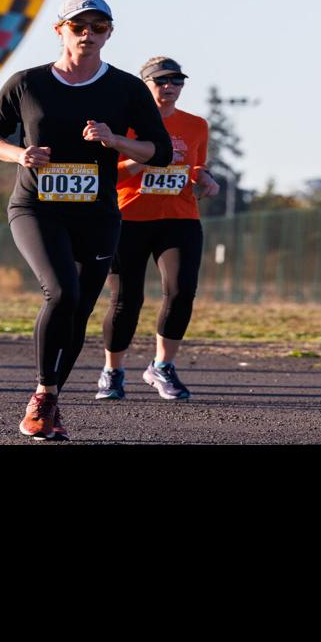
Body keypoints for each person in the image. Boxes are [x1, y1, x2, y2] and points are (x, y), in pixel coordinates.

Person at [0, 0, 172, 439]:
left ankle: (50, 403)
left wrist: (115, 140)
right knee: (61, 292)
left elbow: (158, 152)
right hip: (36, 207)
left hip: (97, 213)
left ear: (109, 33)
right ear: (59, 30)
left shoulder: (124, 88)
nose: (88, 34)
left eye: (98, 27)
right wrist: (19, 155)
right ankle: (43, 396)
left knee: (79, 309)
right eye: (79, 26)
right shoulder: (27, 83)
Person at [98, 57, 220, 401]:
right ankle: (112, 371)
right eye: (162, 80)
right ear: (145, 84)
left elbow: (196, 164)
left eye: (177, 81)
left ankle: (162, 366)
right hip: (129, 219)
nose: (170, 87)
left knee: (181, 292)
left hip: (179, 218)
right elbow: (109, 176)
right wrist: (145, 156)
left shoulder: (196, 124)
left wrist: (205, 178)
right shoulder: (125, 124)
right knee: (126, 300)